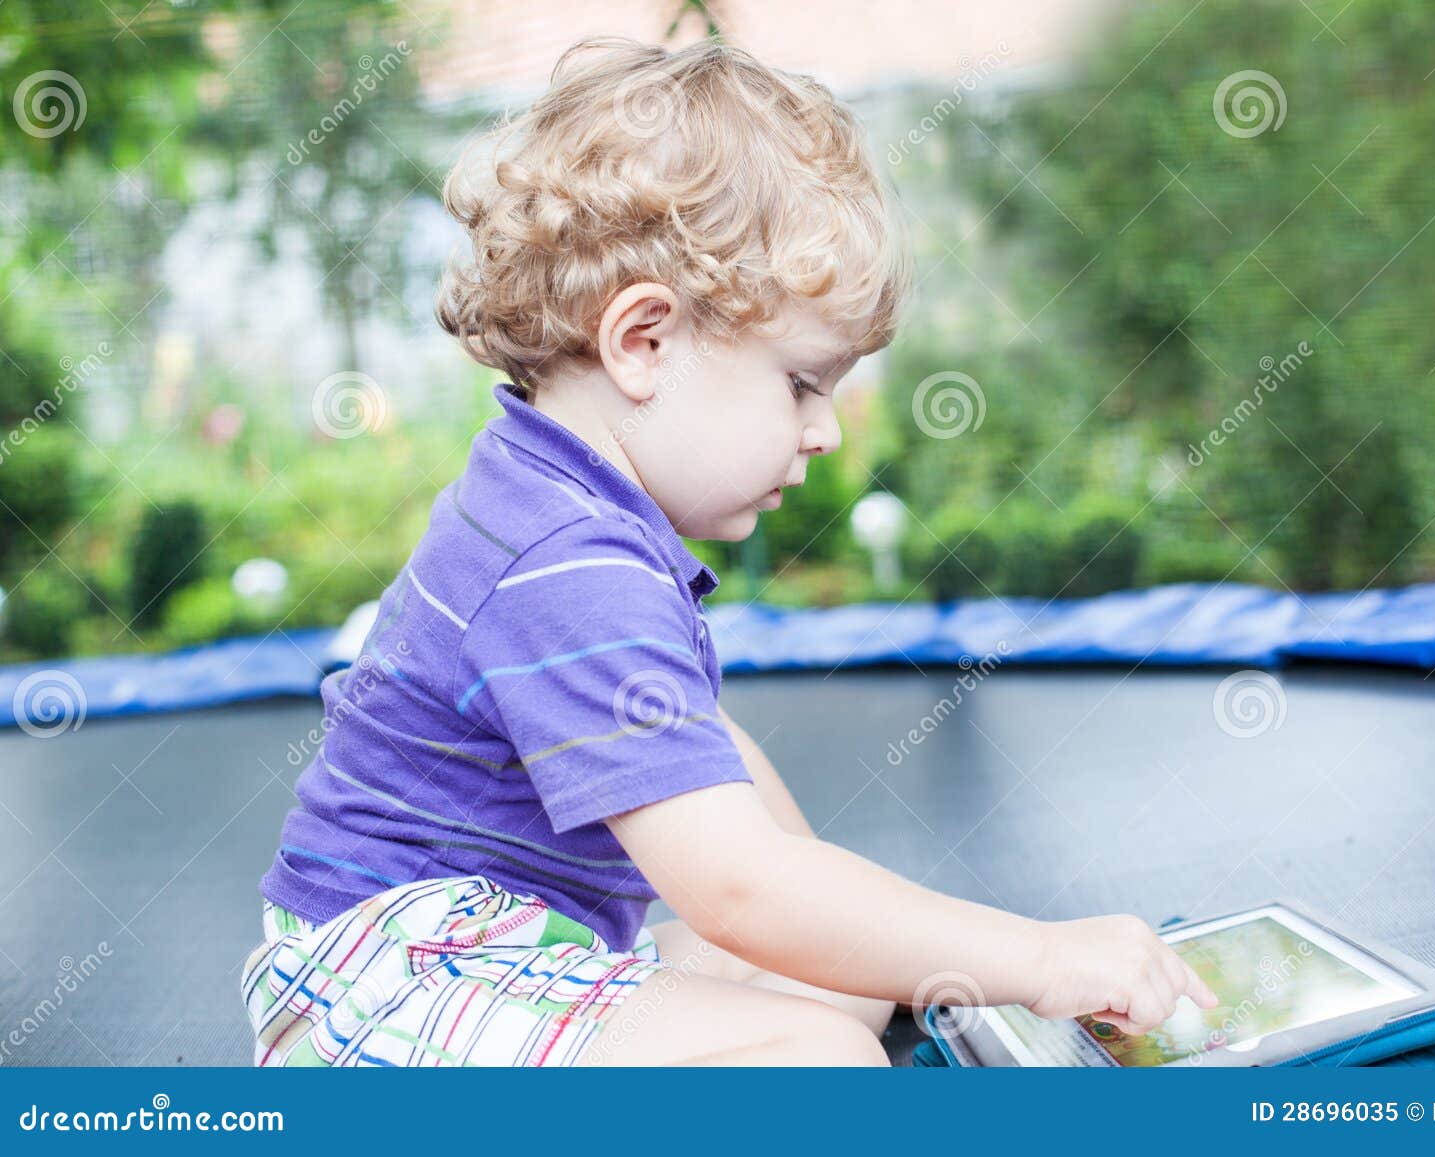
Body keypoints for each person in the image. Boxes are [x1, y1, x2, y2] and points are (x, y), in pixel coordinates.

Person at [240, 35, 1217, 1068]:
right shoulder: (568, 562)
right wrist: (1036, 955)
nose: (826, 429)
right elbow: (739, 884)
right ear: (644, 343)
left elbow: (721, 778)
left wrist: (921, 952)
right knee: (815, 1056)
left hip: (483, 957)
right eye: (801, 381)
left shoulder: (565, 501)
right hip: (392, 990)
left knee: (835, 988)